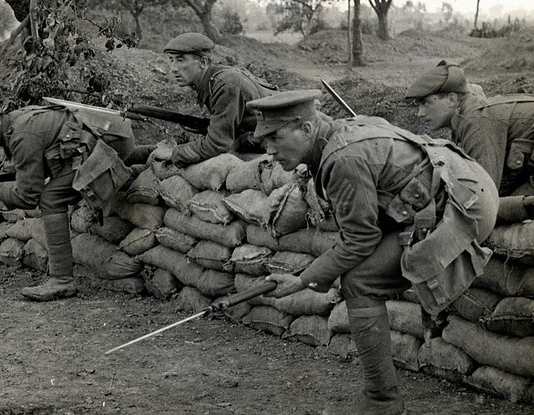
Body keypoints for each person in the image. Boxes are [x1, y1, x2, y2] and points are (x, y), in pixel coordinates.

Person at [246, 90, 499, 414]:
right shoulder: (339, 134)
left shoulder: (343, 160)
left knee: (360, 282)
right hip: (457, 183)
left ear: (307, 130)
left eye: (276, 138)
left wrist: (302, 280)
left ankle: (383, 402)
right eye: (265, 140)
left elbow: (359, 241)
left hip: (465, 204)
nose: (268, 151)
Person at [0, 97, 135, 301]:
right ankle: (145, 156)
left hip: (109, 141)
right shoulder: (14, 125)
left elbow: (27, 198)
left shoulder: (22, 135)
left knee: (51, 198)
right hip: (111, 135)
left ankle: (62, 281)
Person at [406, 60, 534, 221]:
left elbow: (484, 192)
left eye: (426, 103)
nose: (420, 113)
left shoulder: (475, 119)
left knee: (489, 212)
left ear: (452, 99)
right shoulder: (465, 115)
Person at [162, 32, 278, 167]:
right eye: (171, 60)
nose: (173, 69)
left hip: (277, 139)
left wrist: (173, 153)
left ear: (203, 62)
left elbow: (217, 145)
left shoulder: (225, 83)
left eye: (180, 60)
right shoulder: (212, 80)